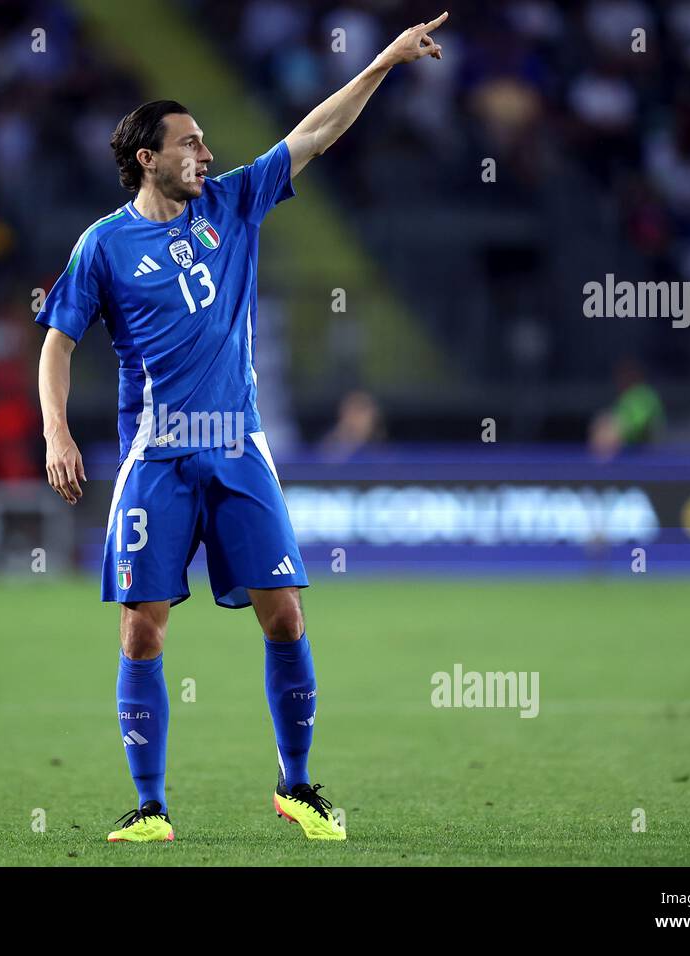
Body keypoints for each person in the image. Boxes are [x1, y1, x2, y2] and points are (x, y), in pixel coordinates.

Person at [35, 13, 450, 843]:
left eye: (207, 142)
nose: (207, 153)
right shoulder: (104, 246)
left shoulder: (233, 202)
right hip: (157, 457)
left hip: (239, 448)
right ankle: (151, 807)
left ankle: (299, 787)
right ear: (147, 157)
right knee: (140, 626)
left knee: (286, 614)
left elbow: (315, 132)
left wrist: (384, 62)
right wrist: (56, 432)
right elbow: (56, 343)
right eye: (190, 143)